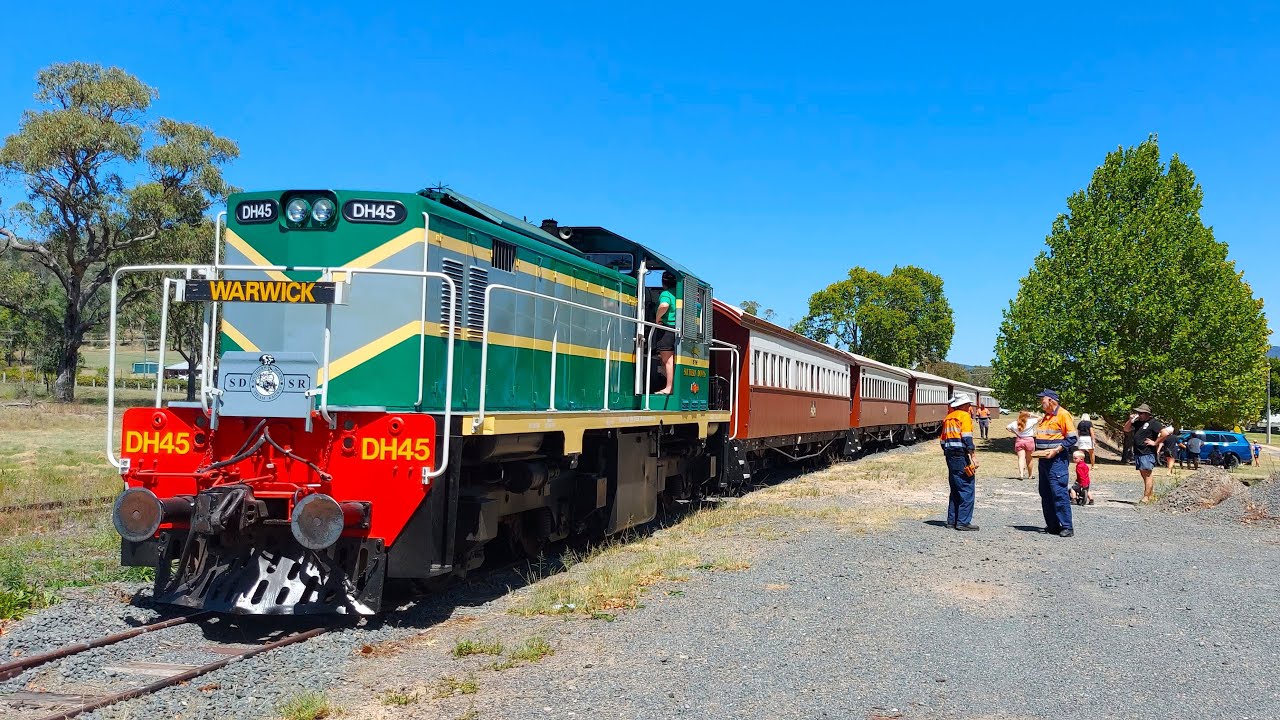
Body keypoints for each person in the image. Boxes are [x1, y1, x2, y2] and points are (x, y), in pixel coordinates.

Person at [1033, 389, 1077, 537]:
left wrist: (1057, 450)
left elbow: (1071, 438)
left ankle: (1066, 526)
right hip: (1043, 460)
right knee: (1045, 493)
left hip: (1057, 460)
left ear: (1051, 400)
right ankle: (1052, 525)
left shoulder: (1063, 415)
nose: (1041, 403)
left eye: (1042, 400)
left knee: (1059, 492)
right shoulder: (1045, 417)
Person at [939, 393, 979, 531]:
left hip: (950, 455)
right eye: (968, 404)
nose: (970, 407)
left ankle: (952, 520)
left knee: (955, 487)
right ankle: (963, 522)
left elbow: (942, 441)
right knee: (967, 486)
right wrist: (973, 456)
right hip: (961, 455)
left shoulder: (948, 418)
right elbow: (967, 437)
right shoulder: (964, 416)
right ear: (963, 405)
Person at [1123, 403, 1173, 503]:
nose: (1139, 414)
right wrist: (1130, 420)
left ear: (1147, 414)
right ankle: (1150, 495)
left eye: (1141, 413)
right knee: (1143, 474)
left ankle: (1146, 497)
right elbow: (1126, 429)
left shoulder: (1153, 423)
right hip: (1138, 451)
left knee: (1147, 474)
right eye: (1138, 412)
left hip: (1147, 452)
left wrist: (1155, 442)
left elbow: (1165, 433)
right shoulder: (1137, 422)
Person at [652, 271, 678, 395]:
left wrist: (657, 319)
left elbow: (664, 305)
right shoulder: (679, 294)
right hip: (677, 329)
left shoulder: (666, 293)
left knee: (667, 359)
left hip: (667, 329)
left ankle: (669, 387)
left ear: (664, 282)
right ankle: (671, 386)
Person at [1006, 410, 1038, 480]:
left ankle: (1021, 474)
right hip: (1029, 440)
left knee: (1021, 458)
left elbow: (1007, 427)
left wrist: (1015, 432)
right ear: (1027, 416)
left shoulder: (1015, 423)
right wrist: (1032, 415)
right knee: (1029, 459)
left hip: (1019, 440)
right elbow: (1040, 418)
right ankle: (1030, 475)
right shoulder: (1030, 421)